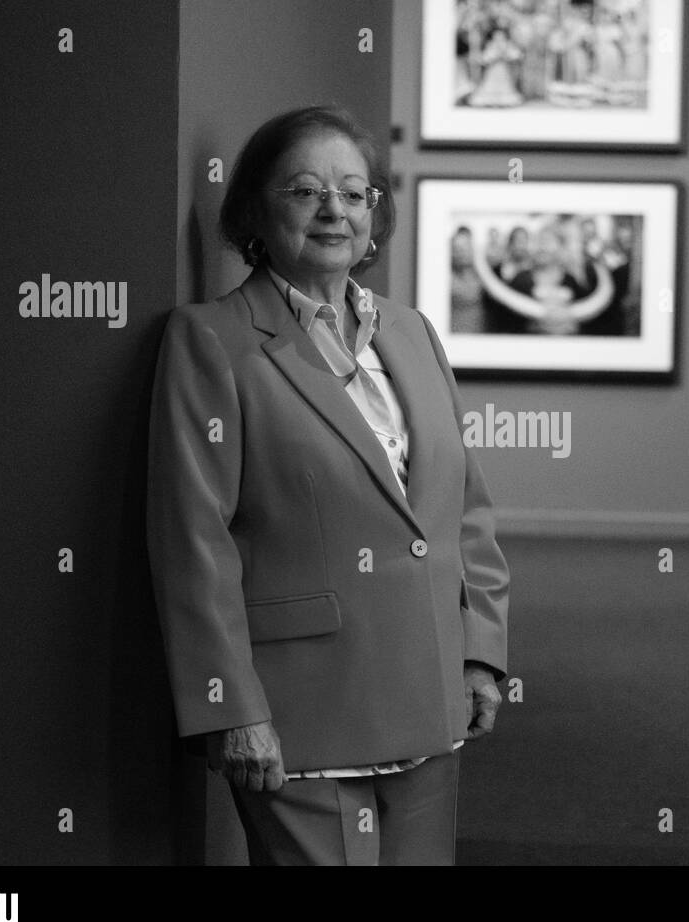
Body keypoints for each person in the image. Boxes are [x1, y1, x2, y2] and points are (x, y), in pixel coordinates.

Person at [146, 105, 510, 866]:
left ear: (376, 214)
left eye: (354, 192)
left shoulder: (411, 332)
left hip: (428, 700)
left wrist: (480, 650)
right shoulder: (211, 340)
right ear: (253, 212)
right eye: (305, 191)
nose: (334, 210)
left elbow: (461, 508)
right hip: (302, 718)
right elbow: (193, 541)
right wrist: (232, 707)